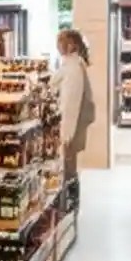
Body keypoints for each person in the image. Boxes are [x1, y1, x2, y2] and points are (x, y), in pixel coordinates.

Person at [53, 28, 94, 181]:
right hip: (72, 123)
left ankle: (69, 200)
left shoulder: (73, 68)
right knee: (69, 165)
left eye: (60, 42)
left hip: (70, 125)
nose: (57, 46)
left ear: (70, 45)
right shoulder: (73, 64)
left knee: (68, 167)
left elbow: (71, 103)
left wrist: (66, 134)